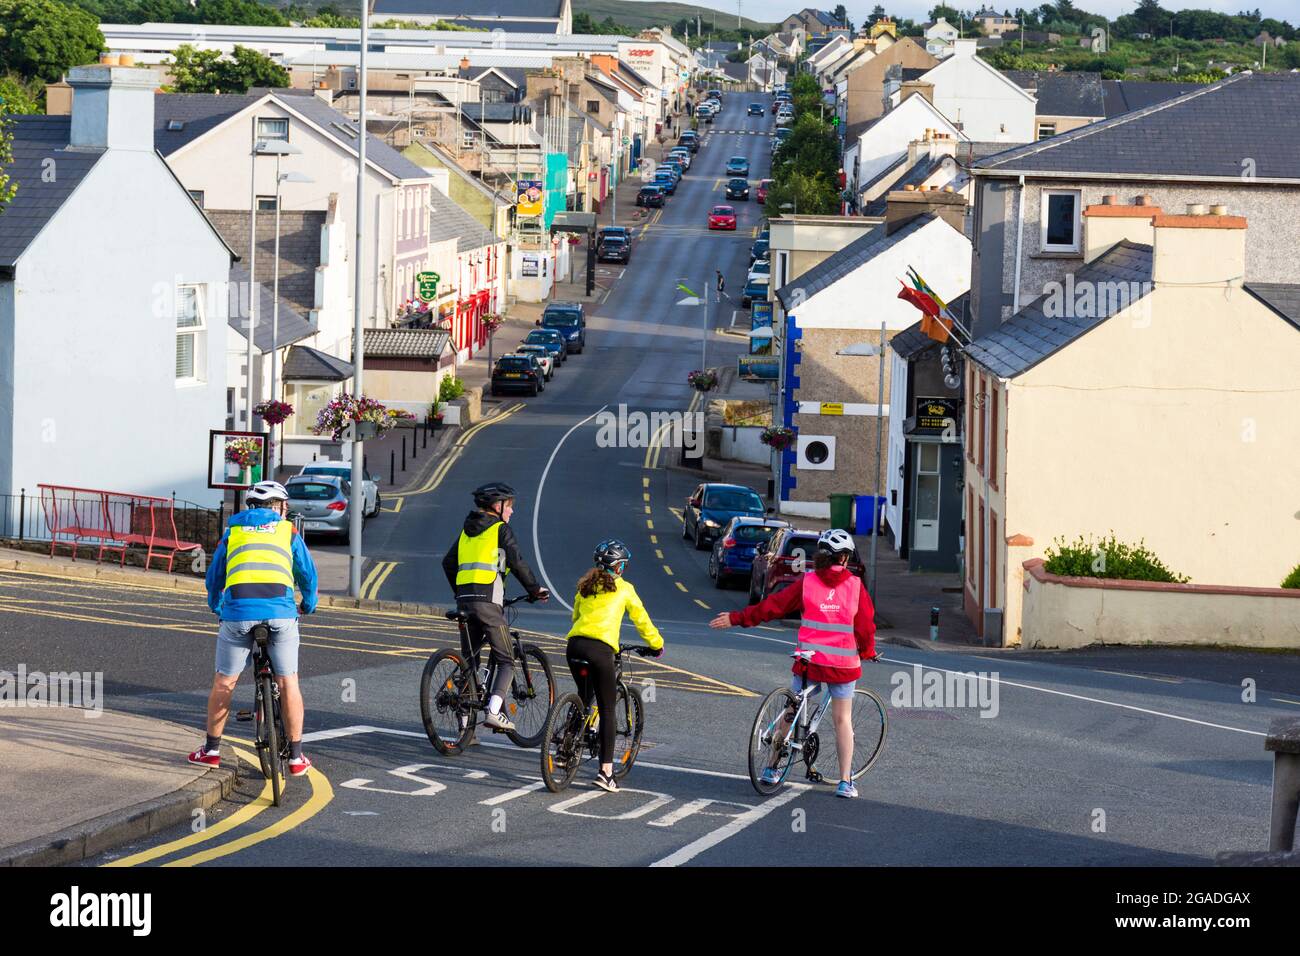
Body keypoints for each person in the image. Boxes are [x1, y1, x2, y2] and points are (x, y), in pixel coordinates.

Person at [710, 528, 876, 798]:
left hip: (809, 662)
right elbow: (866, 628)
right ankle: (845, 782)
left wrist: (737, 617)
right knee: (842, 720)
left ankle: (771, 768)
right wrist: (867, 651)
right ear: (844, 558)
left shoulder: (808, 583)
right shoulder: (856, 587)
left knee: (791, 710)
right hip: (842, 666)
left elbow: (772, 606)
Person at [191, 480, 318, 776]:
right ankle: (297, 757)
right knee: (289, 683)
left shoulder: (232, 533)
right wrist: (308, 604)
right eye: (284, 506)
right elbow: (307, 574)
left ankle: (210, 750)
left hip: (238, 615)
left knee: (225, 682)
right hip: (281, 615)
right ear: (278, 507)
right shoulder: (288, 532)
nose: (286, 511)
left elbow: (214, 578)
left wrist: (217, 606)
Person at [442, 482, 549, 733]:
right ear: (497, 506)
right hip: (488, 602)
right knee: (507, 659)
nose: (511, 511)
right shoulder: (500, 529)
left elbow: (448, 562)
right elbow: (517, 561)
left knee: (470, 661)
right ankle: (493, 711)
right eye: (509, 506)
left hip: (464, 602)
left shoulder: (467, 532)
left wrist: (461, 591)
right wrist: (535, 590)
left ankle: (465, 725)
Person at [566, 539, 663, 793]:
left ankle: (567, 745)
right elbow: (642, 620)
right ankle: (606, 772)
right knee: (608, 709)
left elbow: (575, 617)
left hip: (574, 646)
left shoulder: (584, 585)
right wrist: (657, 644)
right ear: (618, 567)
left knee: (583, 695)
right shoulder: (625, 588)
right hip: (601, 650)